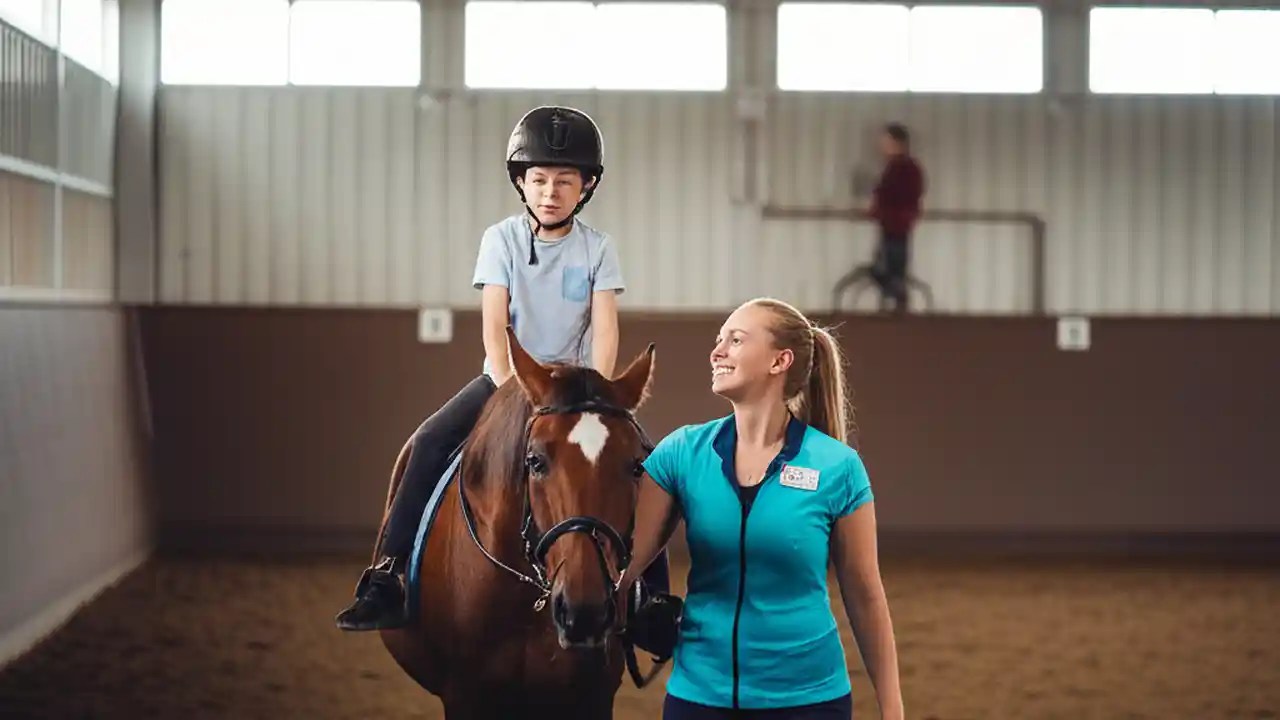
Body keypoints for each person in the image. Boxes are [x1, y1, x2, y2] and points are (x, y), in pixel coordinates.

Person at [335, 105, 669, 632]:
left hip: (578, 392)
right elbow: (496, 326)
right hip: (506, 381)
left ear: (586, 187)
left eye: (564, 181)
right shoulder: (501, 240)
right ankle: (388, 576)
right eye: (538, 180)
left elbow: (605, 330)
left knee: (644, 467)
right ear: (521, 182)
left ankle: (653, 600)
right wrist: (519, 388)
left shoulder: (599, 248)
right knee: (426, 442)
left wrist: (595, 396)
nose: (550, 191)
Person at [619, 298, 905, 719]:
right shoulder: (680, 453)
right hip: (699, 697)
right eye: (719, 340)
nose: (717, 351)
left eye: (735, 340)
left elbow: (864, 594)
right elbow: (626, 566)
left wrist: (892, 708)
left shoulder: (838, 467)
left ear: (780, 361)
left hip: (809, 701)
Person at [867, 123, 925, 313]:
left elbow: (900, 195)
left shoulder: (905, 167)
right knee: (886, 266)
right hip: (891, 223)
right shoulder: (895, 167)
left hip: (897, 223)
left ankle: (897, 302)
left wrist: (884, 210)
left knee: (892, 266)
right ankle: (894, 300)